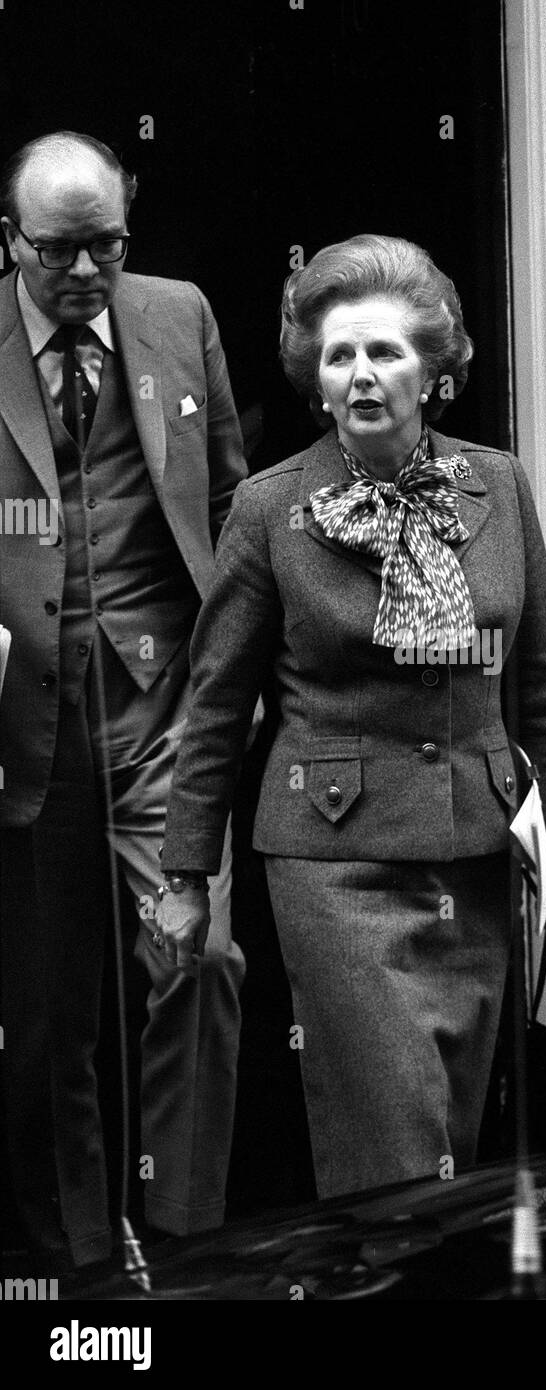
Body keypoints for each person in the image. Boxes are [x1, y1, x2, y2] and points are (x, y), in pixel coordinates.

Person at [159, 234, 546, 1199]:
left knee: (456, 1135)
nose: (360, 375)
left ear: (433, 372)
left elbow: (542, 684)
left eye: (386, 353)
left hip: (477, 859)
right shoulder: (271, 508)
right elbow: (216, 706)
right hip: (335, 864)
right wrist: (187, 873)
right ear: (314, 376)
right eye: (340, 355)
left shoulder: (499, 485)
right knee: (392, 1136)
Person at [0, 131, 246, 1266]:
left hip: (162, 712)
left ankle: (187, 1234)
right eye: (60, 250)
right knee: (52, 1013)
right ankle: (87, 1257)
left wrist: (235, 678)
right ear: (12, 242)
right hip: (25, 724)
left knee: (199, 962)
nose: (88, 270)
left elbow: (235, 506)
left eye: (107, 242)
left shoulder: (180, 314)